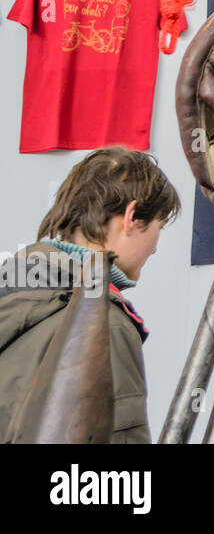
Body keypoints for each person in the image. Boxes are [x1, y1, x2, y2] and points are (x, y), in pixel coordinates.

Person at [0, 146, 180, 443]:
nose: (155, 247)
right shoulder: (104, 322)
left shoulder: (11, 289)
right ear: (132, 217)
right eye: (158, 227)